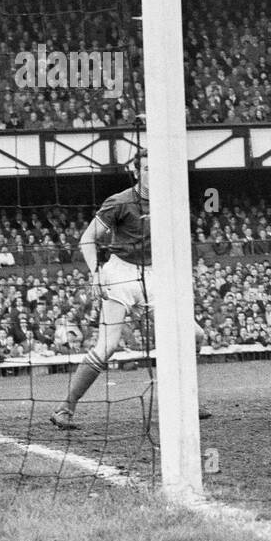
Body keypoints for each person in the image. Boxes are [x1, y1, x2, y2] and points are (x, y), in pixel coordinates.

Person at [51, 150, 209, 429]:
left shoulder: (169, 201)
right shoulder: (120, 202)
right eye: (146, 168)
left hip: (155, 277)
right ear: (137, 171)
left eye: (155, 169)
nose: (151, 174)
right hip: (121, 274)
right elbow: (87, 239)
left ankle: (184, 399)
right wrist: (96, 273)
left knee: (195, 335)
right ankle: (65, 408)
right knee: (108, 345)